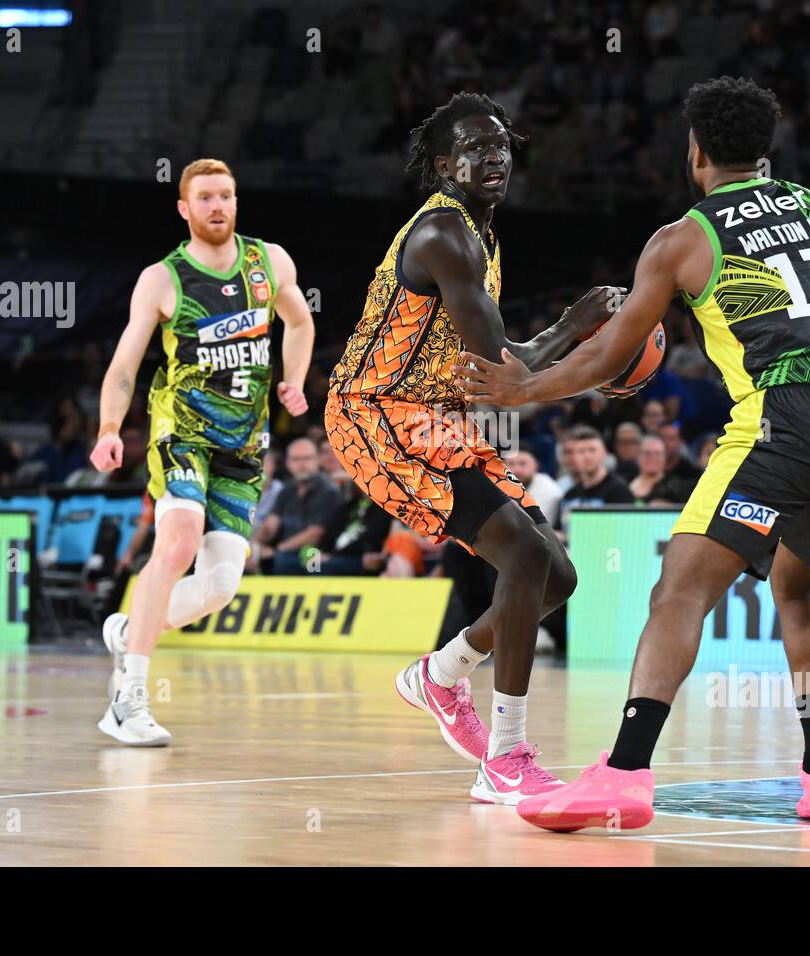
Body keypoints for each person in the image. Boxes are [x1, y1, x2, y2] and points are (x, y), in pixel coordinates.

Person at [457, 77, 810, 830]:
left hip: (780, 422)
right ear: (765, 150)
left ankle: (624, 773)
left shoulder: (680, 240)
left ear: (694, 151)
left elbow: (606, 360)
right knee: (796, 590)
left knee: (680, 591)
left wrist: (522, 389)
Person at [324, 92, 615, 803]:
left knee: (557, 577)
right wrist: (577, 329)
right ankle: (505, 757)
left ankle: (441, 675)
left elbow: (493, 369)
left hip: (431, 415)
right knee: (520, 554)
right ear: (442, 163)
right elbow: (504, 370)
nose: (495, 158)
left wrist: (577, 353)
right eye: (477, 148)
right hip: (375, 414)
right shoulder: (442, 236)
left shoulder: (483, 238)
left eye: (503, 146)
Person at [89, 158, 315, 746]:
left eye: (227, 195)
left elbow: (300, 321)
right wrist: (110, 428)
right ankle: (127, 700)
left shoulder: (271, 261)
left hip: (243, 443)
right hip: (181, 432)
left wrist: (294, 378)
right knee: (179, 540)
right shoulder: (162, 279)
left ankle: (127, 630)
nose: (218, 206)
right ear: (184, 208)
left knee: (218, 589)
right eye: (206, 197)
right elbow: (122, 368)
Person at [251, 437, 343, 574]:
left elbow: (314, 534)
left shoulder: (329, 490)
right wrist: (254, 547)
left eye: (307, 458)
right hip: (285, 552)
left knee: (285, 561)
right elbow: (270, 526)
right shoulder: (287, 490)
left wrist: (277, 550)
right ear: (287, 463)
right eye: (296, 459)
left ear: (318, 460)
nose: (302, 464)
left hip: (318, 552)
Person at [558, 425, 635, 529]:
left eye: (592, 450)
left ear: (604, 453)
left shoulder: (619, 491)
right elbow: (558, 531)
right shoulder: (570, 495)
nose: (587, 456)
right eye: (581, 451)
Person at [629, 434, 688, 503]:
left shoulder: (675, 487)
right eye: (647, 453)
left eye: (658, 454)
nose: (652, 458)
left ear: (665, 458)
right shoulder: (626, 483)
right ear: (638, 457)